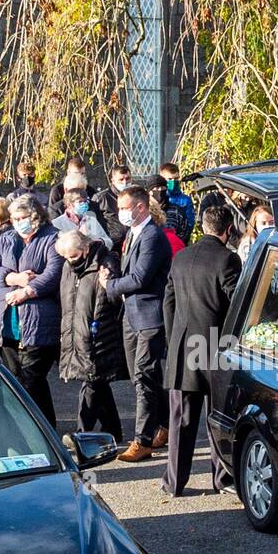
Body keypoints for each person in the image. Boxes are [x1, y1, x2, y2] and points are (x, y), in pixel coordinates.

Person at [160, 205, 242, 497]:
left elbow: (168, 302)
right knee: (217, 416)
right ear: (228, 230)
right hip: (215, 347)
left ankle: (174, 482)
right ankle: (221, 478)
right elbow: (236, 304)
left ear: (202, 226)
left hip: (183, 347)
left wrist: (174, 340)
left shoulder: (180, 257)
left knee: (180, 419)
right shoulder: (227, 259)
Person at [102, 185, 172, 461]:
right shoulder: (133, 233)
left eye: (124, 208)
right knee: (142, 376)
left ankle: (142, 441)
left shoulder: (152, 235)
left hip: (149, 316)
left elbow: (140, 278)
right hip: (131, 316)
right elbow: (127, 269)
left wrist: (110, 285)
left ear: (140, 207)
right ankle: (166, 424)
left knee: (144, 377)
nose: (121, 213)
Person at [0, 196, 64, 425]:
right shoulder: (8, 237)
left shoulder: (52, 238)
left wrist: (27, 290)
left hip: (38, 319)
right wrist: (13, 277)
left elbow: (53, 273)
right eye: (15, 218)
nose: (19, 223)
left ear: (35, 216)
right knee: (14, 378)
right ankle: (22, 427)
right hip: (6, 319)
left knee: (33, 379)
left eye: (23, 218)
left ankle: (45, 427)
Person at [56, 229, 127, 441]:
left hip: (101, 334)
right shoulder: (69, 267)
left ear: (86, 249)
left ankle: (81, 432)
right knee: (98, 383)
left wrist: (109, 285)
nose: (70, 261)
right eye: (66, 257)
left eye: (74, 256)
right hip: (77, 332)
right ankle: (113, 430)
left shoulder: (106, 264)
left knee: (92, 381)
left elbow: (116, 301)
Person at [93, 164, 133, 252]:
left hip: (131, 244)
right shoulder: (101, 198)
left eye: (128, 179)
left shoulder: (136, 196)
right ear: (113, 181)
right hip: (111, 246)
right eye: (121, 179)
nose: (125, 182)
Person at [159, 162, 194, 236]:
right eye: (170, 179)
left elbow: (190, 224)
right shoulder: (158, 198)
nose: (173, 182)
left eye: (176, 178)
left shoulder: (186, 200)